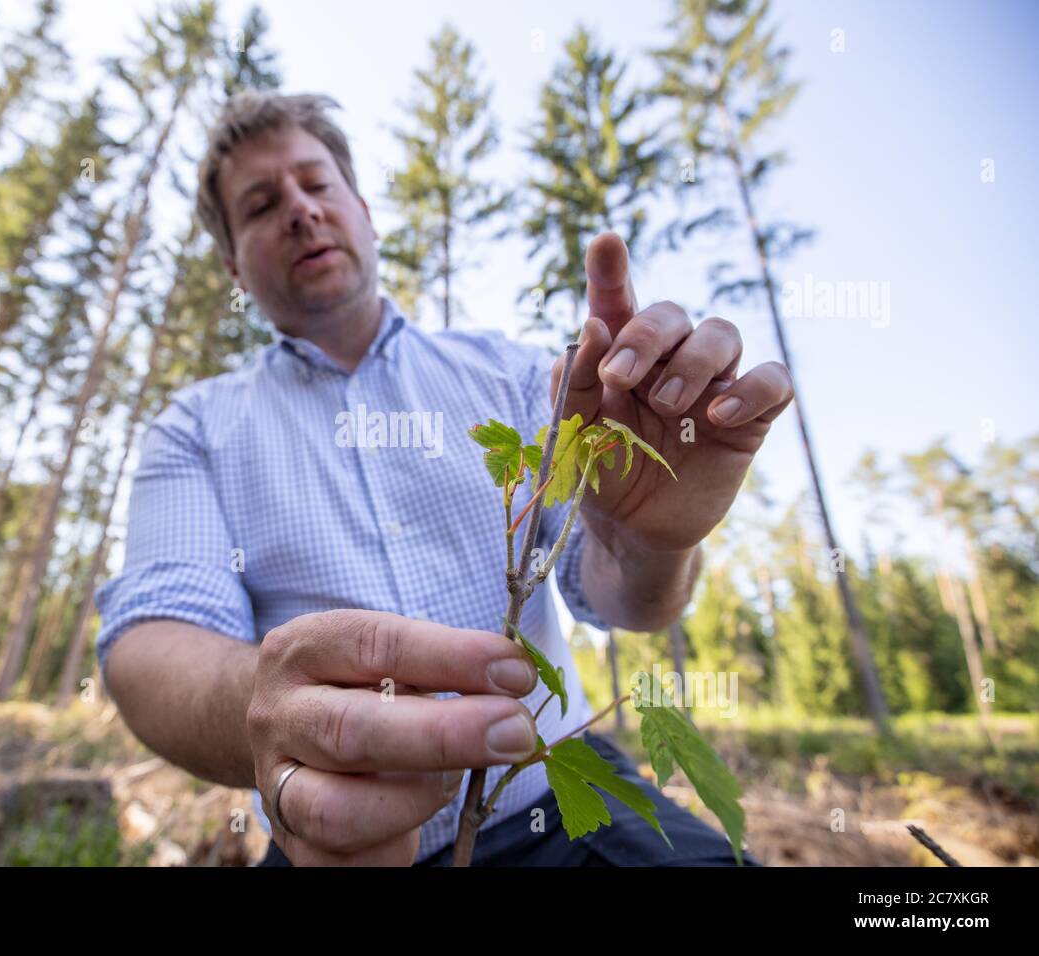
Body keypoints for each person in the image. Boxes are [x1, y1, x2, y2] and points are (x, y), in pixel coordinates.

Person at [96, 91, 793, 866]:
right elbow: (152, 643)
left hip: (566, 804)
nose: (299, 211)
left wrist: (643, 543)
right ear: (232, 264)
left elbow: (623, 602)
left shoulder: (520, 379)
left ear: (364, 211)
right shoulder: (194, 430)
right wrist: (282, 714)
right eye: (261, 205)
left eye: (317, 185)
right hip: (332, 846)